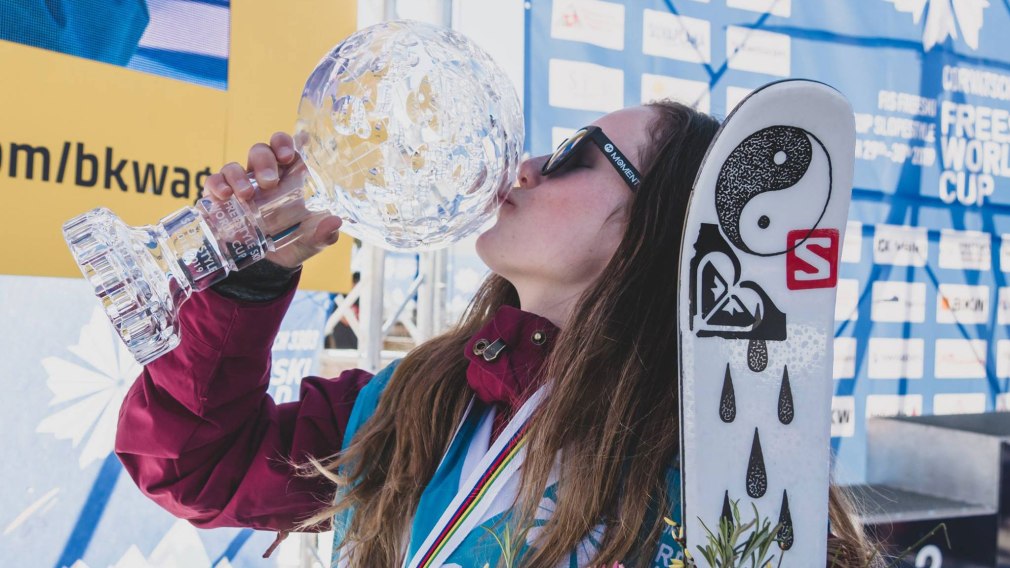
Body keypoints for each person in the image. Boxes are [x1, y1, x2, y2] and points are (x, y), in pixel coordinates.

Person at [115, 101, 879, 567]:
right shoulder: (420, 400)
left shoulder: (713, 462)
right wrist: (253, 280)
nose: (523, 168)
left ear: (662, 228)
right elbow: (196, 466)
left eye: (576, 156)